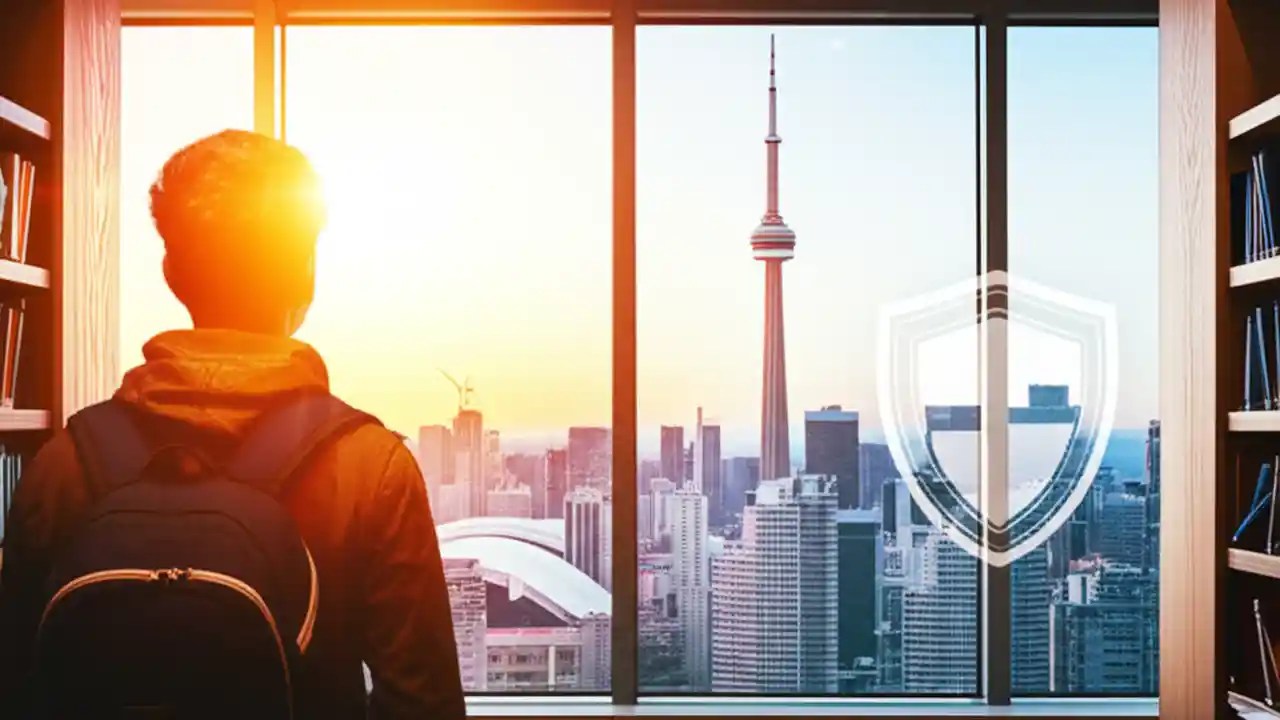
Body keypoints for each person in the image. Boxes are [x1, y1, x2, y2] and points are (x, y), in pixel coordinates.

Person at [0, 129, 466, 719]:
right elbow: (425, 705)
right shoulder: (370, 468)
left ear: (172, 272)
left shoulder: (65, 463)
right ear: (304, 273)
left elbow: (16, 683)